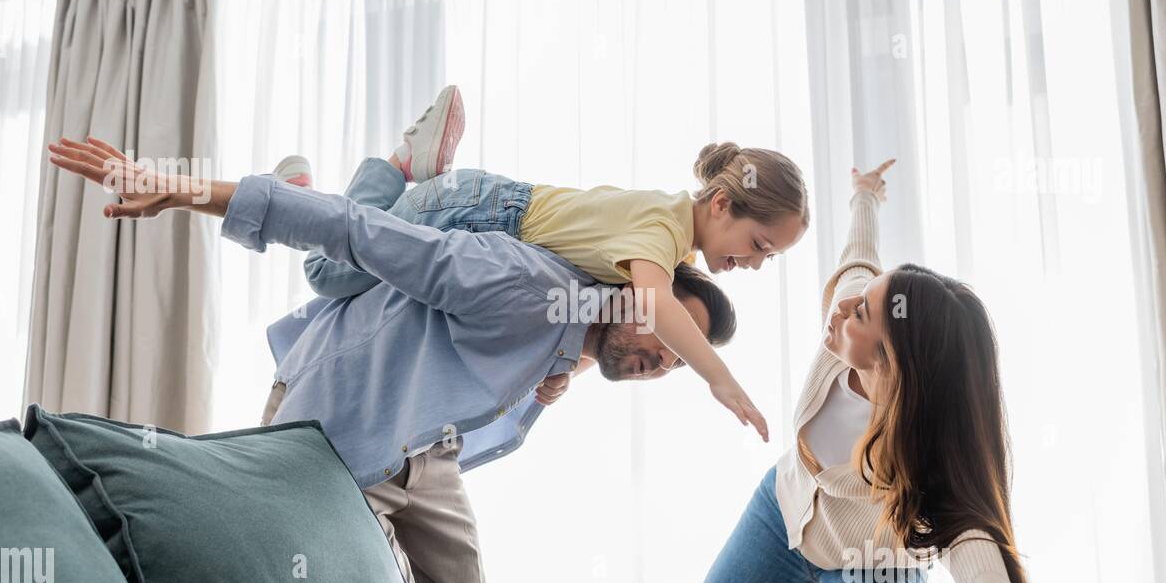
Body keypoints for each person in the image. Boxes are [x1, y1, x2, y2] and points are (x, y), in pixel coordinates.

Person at [46, 134, 737, 583]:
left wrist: (563, 377)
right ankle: (390, 165)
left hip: (422, 454)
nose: (663, 361)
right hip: (334, 425)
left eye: (677, 362)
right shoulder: (521, 281)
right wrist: (180, 188)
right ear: (633, 285)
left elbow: (546, 352)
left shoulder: (572, 336)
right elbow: (356, 231)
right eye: (669, 334)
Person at [696, 160, 1091, 583]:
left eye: (861, 313)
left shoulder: (921, 446)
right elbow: (859, 260)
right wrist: (863, 198)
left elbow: (963, 530)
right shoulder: (846, 333)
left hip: (870, 560)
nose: (842, 309)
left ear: (893, 359)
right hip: (782, 512)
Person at [280, 85, 810, 442]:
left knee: (351, 263)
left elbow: (597, 310)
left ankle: (321, 194)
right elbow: (652, 306)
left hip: (483, 209)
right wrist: (720, 379)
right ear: (721, 204)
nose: (756, 264)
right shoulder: (663, 229)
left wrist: (567, 373)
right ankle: (388, 166)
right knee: (330, 274)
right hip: (471, 208)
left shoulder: (669, 245)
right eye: (760, 246)